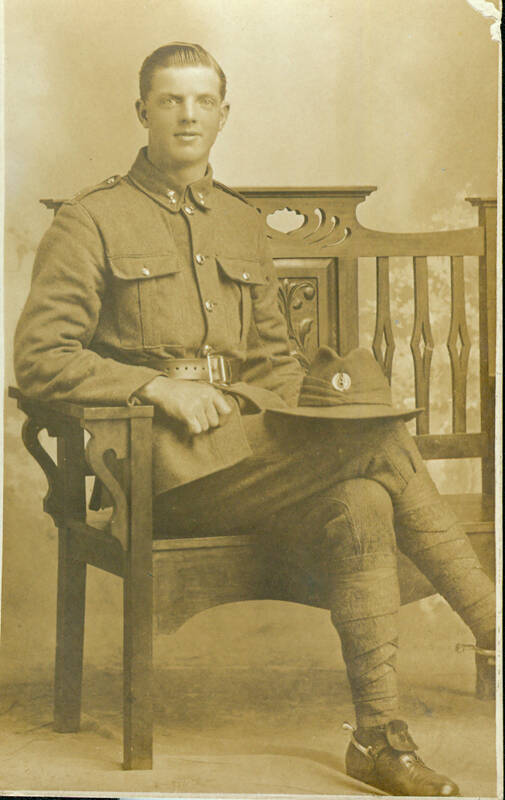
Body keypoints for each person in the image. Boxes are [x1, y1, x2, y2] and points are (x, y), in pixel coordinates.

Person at [14, 42, 495, 796]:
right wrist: (153, 389)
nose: (187, 114)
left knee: (363, 497)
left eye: (203, 101)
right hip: (155, 474)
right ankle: (494, 624)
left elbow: (274, 363)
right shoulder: (92, 220)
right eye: (170, 100)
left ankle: (379, 739)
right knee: (379, 442)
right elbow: (39, 359)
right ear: (141, 111)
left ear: (223, 115)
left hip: (248, 460)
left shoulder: (240, 224)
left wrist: (253, 402)